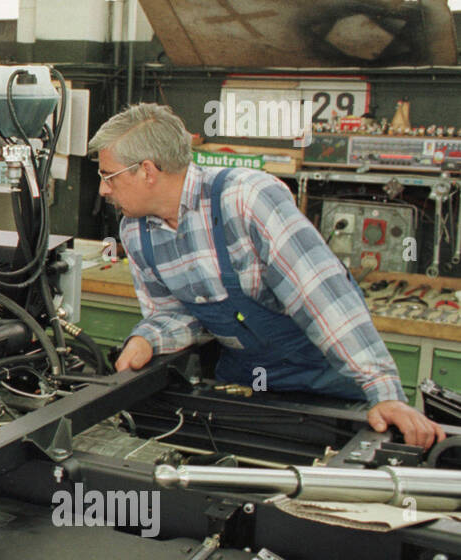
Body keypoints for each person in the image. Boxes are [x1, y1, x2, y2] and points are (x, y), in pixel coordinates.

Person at [89, 102, 443, 450]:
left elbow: (321, 294)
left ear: (147, 170)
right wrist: (148, 338)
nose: (104, 189)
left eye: (109, 176)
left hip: (328, 386)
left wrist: (383, 392)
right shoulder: (136, 232)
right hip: (248, 392)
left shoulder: (246, 199)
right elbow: (176, 313)